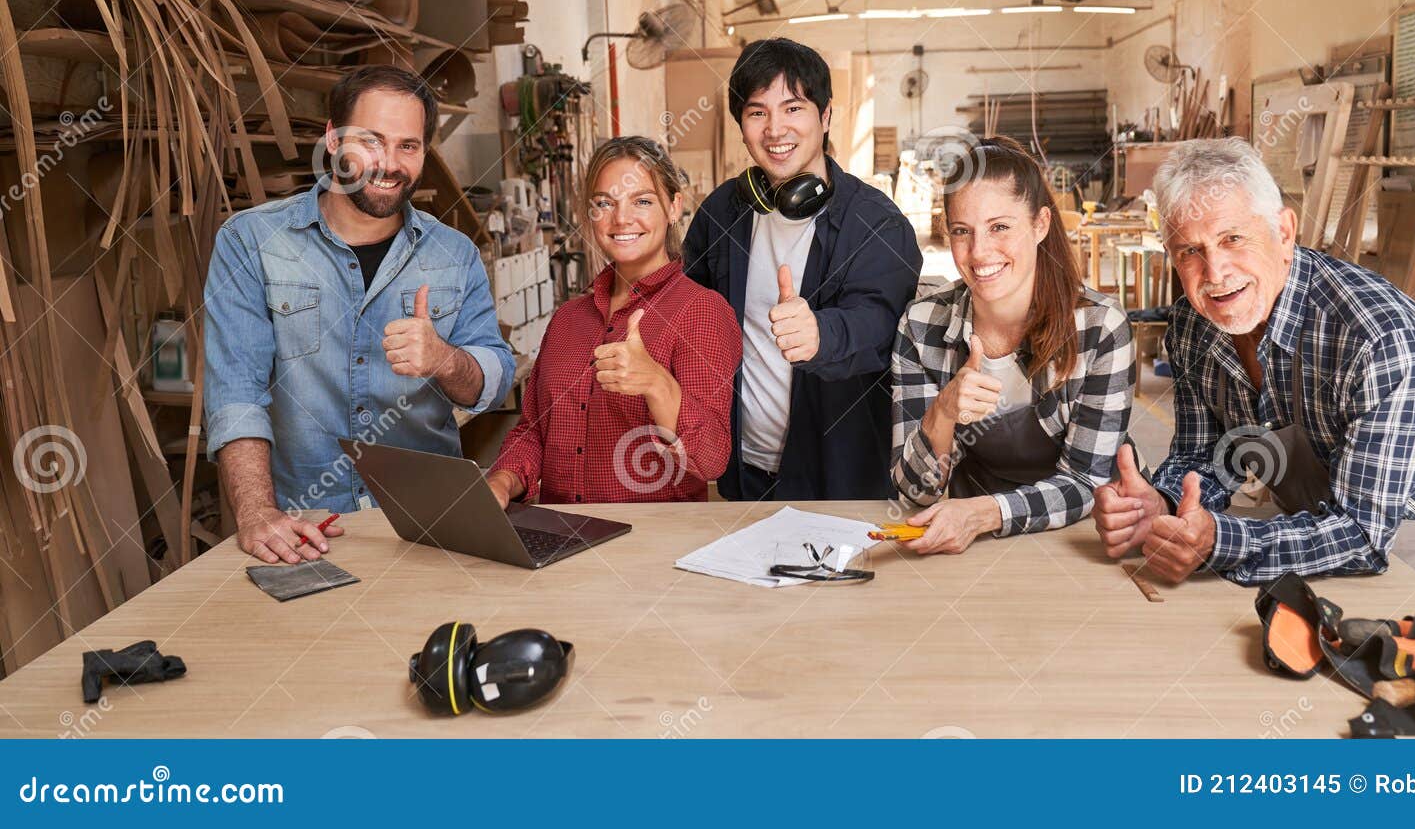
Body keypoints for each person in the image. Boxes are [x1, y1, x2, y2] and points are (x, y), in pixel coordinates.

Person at [1089, 137, 1415, 633]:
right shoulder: (1193, 323)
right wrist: (1162, 505)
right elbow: (1205, 456)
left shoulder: (1381, 340)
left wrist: (1220, 542)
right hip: (1319, 526)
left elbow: (1361, 532)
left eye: (1233, 239)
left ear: (1284, 230)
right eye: (1191, 250)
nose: (1215, 273)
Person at [204, 65, 514, 564]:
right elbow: (235, 391)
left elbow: (493, 382)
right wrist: (257, 512)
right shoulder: (252, 242)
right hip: (305, 527)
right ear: (331, 138)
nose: (388, 163)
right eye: (371, 141)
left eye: (408, 146)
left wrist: (443, 359)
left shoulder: (454, 253)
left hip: (430, 526)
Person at [683, 37, 922, 501]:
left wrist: (822, 333)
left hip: (838, 481)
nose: (775, 130)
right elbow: (690, 308)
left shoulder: (876, 222)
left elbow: (883, 324)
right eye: (757, 113)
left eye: (792, 108)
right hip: (745, 473)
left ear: (826, 116)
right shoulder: (723, 213)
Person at [891, 136, 1134, 554]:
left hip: (1083, 541)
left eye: (1000, 227)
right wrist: (944, 412)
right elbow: (915, 493)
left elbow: (1085, 483)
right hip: (978, 544)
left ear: (1040, 224)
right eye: (961, 231)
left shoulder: (1100, 329)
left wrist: (983, 514)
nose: (979, 252)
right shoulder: (922, 325)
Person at [486, 137, 741, 506]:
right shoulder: (567, 319)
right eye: (605, 203)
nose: (621, 219)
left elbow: (713, 458)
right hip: (561, 540)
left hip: (648, 550)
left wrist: (657, 384)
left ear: (673, 207)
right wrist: (503, 481)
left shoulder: (702, 311)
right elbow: (533, 430)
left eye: (642, 201)